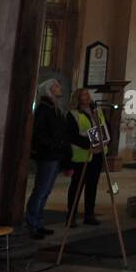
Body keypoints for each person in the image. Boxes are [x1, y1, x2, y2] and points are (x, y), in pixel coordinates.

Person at [26, 78, 73, 238]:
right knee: (40, 190)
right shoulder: (43, 109)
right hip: (48, 155)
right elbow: (38, 133)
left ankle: (39, 222)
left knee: (46, 191)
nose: (60, 88)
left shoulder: (56, 108)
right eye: (57, 86)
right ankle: (31, 224)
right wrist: (53, 145)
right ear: (49, 89)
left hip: (56, 155)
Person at [64, 89, 102, 227]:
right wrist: (88, 144)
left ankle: (89, 214)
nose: (87, 96)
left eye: (88, 94)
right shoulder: (73, 114)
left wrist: (102, 141)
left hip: (97, 153)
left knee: (92, 185)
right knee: (77, 186)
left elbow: (102, 127)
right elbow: (72, 135)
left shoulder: (96, 111)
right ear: (78, 98)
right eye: (84, 95)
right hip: (82, 154)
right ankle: (71, 216)